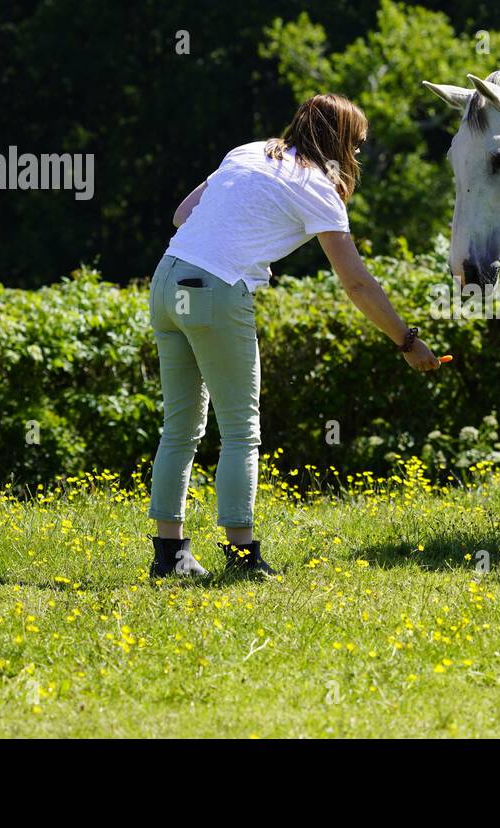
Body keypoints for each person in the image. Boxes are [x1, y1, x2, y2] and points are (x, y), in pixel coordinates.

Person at [147, 94, 441, 578]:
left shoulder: (247, 150)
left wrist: (247, 241)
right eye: (359, 144)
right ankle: (243, 558)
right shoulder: (319, 188)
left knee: (180, 428)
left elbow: (182, 216)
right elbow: (357, 283)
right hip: (217, 291)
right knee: (242, 430)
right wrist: (407, 341)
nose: (360, 155)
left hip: (168, 280)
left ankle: (169, 557)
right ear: (339, 142)